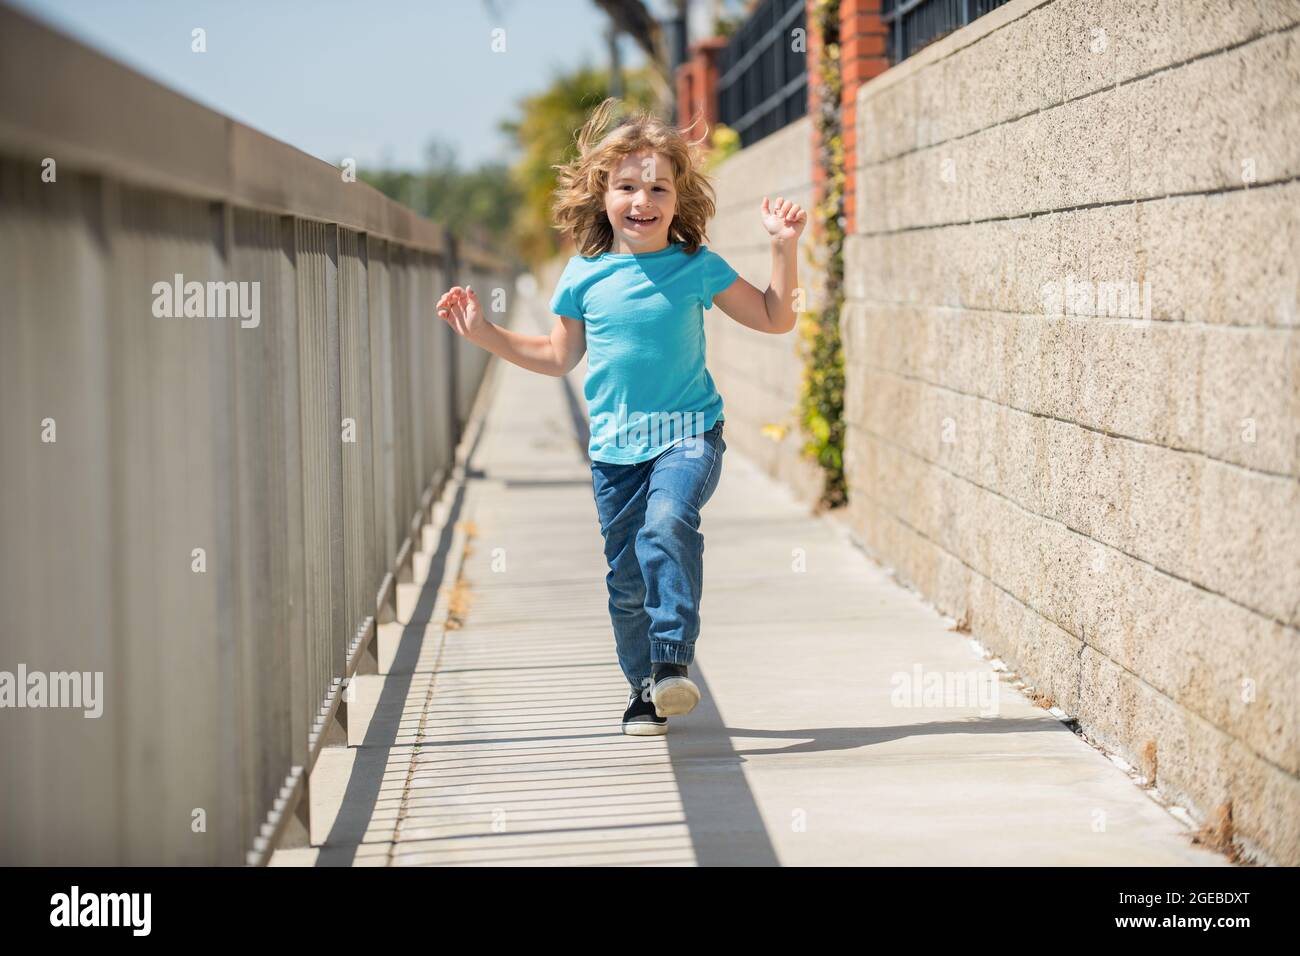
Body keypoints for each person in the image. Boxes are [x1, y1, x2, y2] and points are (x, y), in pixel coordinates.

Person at [436, 97, 805, 736]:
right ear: (601, 195)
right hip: (614, 451)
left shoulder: (697, 267)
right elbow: (556, 357)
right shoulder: (584, 276)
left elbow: (775, 316)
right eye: (627, 186)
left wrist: (783, 248)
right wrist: (485, 333)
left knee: (667, 523)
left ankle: (670, 664)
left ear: (678, 199)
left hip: (689, 435)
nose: (643, 199)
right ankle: (643, 688)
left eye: (659, 187)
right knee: (625, 581)